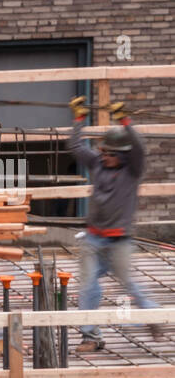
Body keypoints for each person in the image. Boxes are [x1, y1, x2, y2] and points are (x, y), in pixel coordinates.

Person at [69, 97, 160, 353]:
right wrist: (78, 120)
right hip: (94, 238)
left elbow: (140, 148)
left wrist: (125, 121)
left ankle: (155, 318)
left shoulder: (133, 170)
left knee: (128, 284)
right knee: (87, 285)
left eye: (109, 153)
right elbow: (75, 145)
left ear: (122, 155)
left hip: (119, 239)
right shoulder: (97, 163)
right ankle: (91, 337)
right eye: (102, 151)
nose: (103, 155)